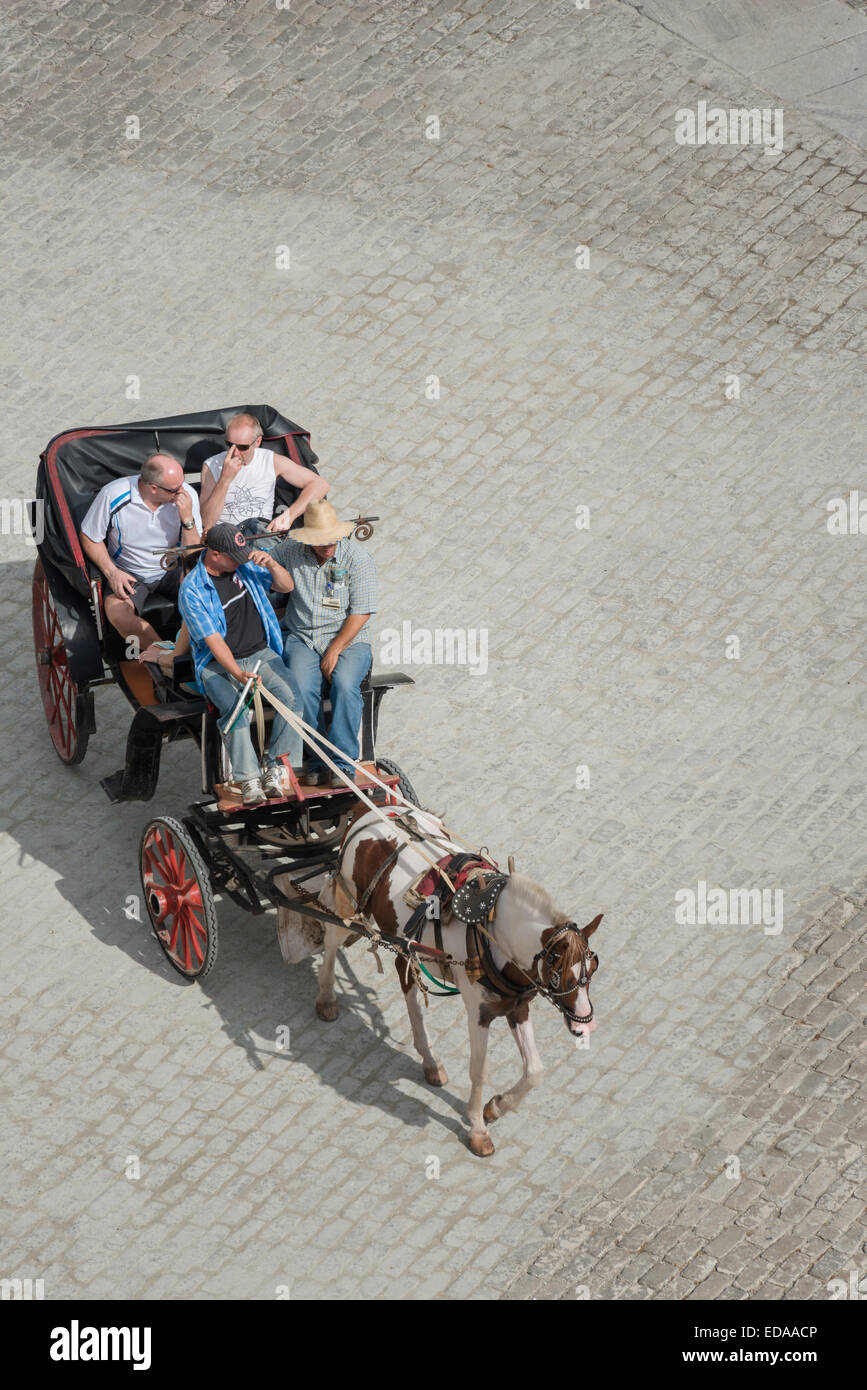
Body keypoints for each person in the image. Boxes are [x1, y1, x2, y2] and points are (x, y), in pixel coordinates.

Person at [178, 524, 305, 805]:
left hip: (261, 652)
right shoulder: (192, 590)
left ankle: (276, 769)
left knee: (293, 698)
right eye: (234, 555)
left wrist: (271, 563)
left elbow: (286, 586)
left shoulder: (244, 567)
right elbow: (213, 642)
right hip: (217, 664)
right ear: (213, 554)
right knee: (235, 709)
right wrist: (237, 673)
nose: (241, 559)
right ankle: (247, 779)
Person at [269, 500, 376, 787]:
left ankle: (343, 763)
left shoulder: (358, 559)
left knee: (343, 683)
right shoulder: (289, 551)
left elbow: (361, 612)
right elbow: (266, 565)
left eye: (331, 539)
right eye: (320, 541)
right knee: (301, 689)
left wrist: (335, 649)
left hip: (349, 639)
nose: (327, 545)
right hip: (303, 636)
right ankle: (317, 760)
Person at [80, 453, 202, 653]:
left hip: (172, 567)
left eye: (183, 483)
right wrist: (112, 573)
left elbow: (192, 553)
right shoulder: (113, 495)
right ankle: (163, 658)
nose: (182, 491)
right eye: (174, 489)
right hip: (130, 572)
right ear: (153, 488)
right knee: (119, 615)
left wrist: (187, 519)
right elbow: (90, 537)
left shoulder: (186, 496)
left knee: (207, 592)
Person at [199, 412, 330, 535]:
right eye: (230, 444)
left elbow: (320, 485)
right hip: (224, 538)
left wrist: (289, 515)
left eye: (242, 447)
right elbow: (206, 521)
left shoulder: (270, 461)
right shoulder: (212, 465)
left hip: (259, 537)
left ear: (257, 442)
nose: (235, 452)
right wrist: (224, 480)